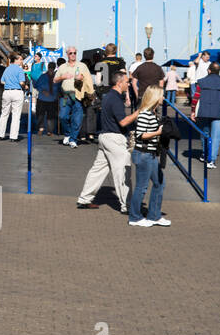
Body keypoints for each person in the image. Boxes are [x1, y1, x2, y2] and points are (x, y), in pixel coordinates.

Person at [76, 71, 135, 212]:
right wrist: (138, 113)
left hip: (104, 137)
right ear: (119, 83)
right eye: (127, 82)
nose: (129, 84)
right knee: (122, 170)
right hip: (114, 138)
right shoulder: (116, 99)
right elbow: (123, 121)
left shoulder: (109, 96)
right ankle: (127, 205)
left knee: (98, 170)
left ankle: (84, 198)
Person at [128, 85, 170, 227]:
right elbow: (140, 135)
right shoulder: (145, 113)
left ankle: (154, 215)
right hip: (143, 154)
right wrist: (157, 133)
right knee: (142, 186)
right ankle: (135, 217)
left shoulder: (152, 113)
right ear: (155, 97)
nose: (163, 98)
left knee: (159, 183)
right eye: (161, 95)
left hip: (150, 154)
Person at [192, 62, 220, 168]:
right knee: (216, 137)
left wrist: (192, 111)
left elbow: (196, 97)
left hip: (204, 112)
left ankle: (205, 154)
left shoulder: (201, 82)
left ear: (209, 70)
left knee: (205, 134)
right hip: (219, 112)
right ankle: (211, 160)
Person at [55, 48, 94, 148]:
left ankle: (73, 139)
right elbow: (55, 80)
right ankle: (68, 134)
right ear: (67, 54)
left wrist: (90, 91)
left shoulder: (82, 66)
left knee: (77, 119)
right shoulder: (62, 67)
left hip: (78, 96)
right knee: (62, 116)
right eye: (71, 53)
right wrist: (62, 77)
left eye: (75, 53)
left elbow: (89, 79)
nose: (73, 55)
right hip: (65, 96)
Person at [0, 52, 27, 141]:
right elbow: (21, 83)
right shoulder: (20, 70)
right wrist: (25, 86)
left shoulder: (7, 69)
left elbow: (2, 81)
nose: (21, 61)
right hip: (17, 92)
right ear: (16, 60)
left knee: (4, 114)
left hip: (7, 92)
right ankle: (13, 136)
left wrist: (9, 83)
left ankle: (0, 134)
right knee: (16, 115)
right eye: (20, 59)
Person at [34, 61, 58, 135]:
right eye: (50, 67)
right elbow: (36, 85)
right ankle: (41, 128)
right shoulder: (43, 76)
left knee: (51, 116)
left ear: (54, 68)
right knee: (40, 115)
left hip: (52, 100)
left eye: (52, 68)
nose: (51, 69)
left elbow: (59, 87)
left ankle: (50, 131)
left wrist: (57, 94)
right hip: (42, 99)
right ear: (48, 68)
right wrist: (42, 90)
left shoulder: (57, 77)